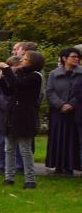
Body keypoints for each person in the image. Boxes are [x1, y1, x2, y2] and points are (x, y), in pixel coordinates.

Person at [0, 51, 46, 189]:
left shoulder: (35, 76)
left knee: (25, 149)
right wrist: (0, 79)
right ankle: (9, 177)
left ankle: (30, 179)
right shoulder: (19, 73)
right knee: (9, 148)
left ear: (32, 62)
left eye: (25, 59)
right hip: (12, 114)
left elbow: (18, 84)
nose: (22, 60)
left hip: (25, 116)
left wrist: (7, 68)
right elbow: (10, 91)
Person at [45, 47, 81, 176]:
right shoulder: (54, 74)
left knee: (73, 139)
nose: (76, 59)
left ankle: (71, 166)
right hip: (58, 112)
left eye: (78, 57)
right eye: (73, 57)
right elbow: (50, 91)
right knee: (58, 137)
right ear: (64, 58)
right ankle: (58, 166)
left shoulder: (81, 73)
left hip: (76, 111)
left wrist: (71, 104)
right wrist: (60, 105)